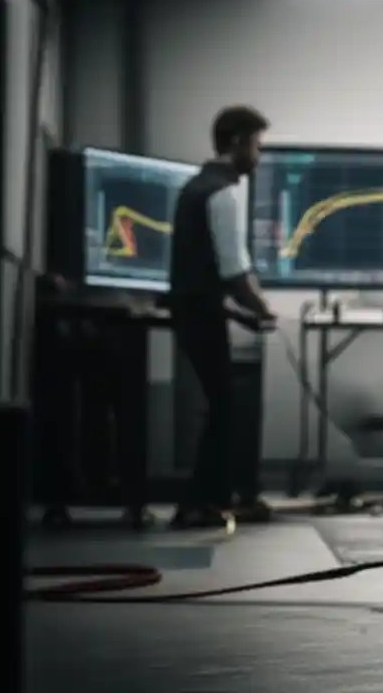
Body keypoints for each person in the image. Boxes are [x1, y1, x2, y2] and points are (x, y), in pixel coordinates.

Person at [168, 105, 278, 529]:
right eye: (256, 145)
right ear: (236, 141)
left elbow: (202, 273)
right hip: (202, 316)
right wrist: (263, 309)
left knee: (222, 406)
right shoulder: (223, 192)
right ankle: (200, 504)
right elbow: (234, 272)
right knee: (223, 409)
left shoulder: (195, 186)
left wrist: (243, 316)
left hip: (194, 311)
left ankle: (215, 498)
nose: (258, 156)